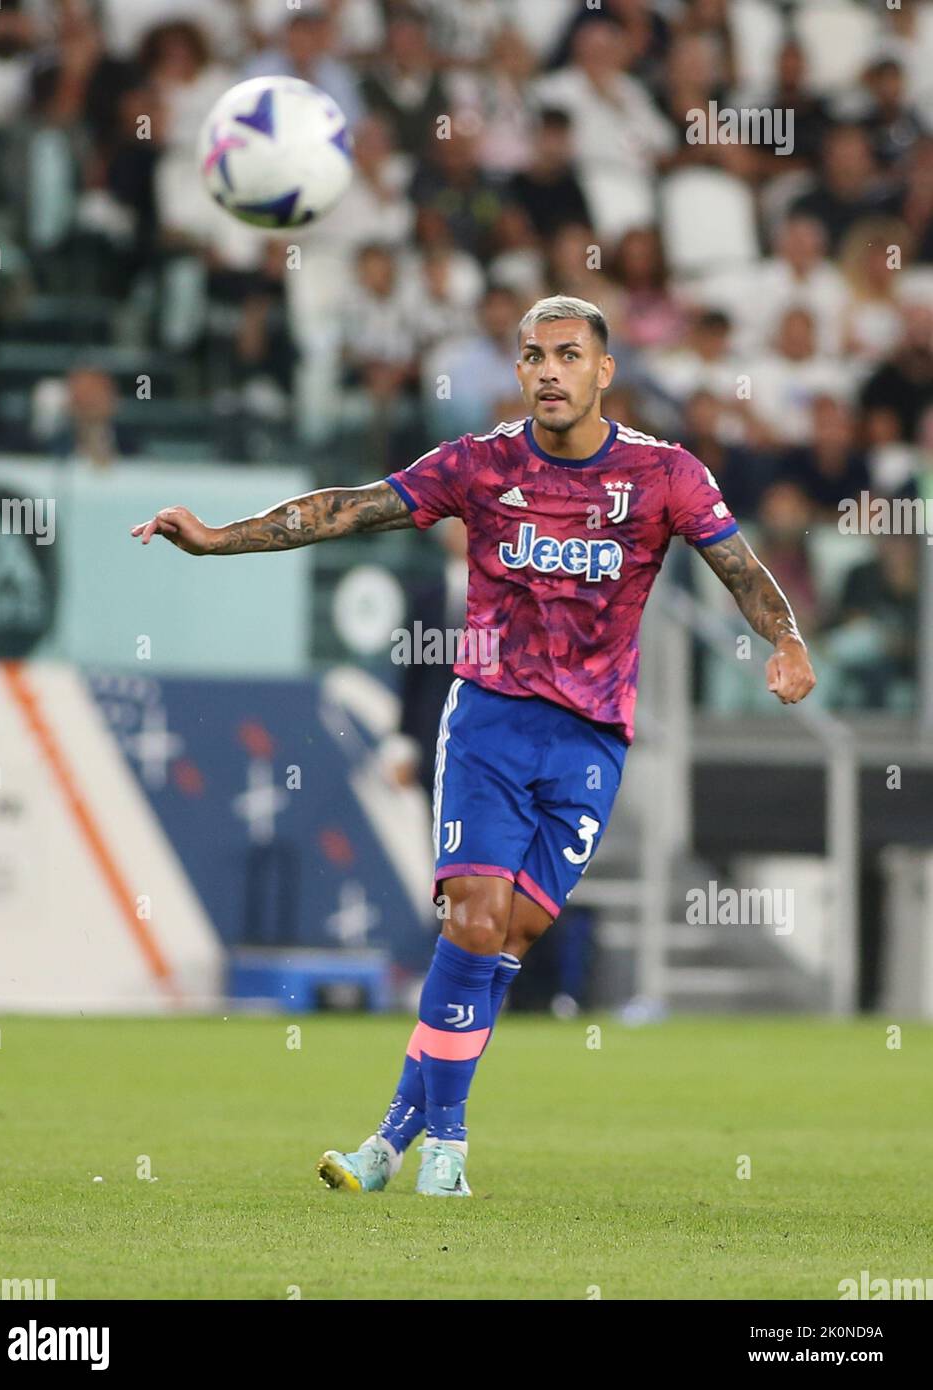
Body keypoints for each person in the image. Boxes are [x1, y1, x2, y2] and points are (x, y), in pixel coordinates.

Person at [131, 294, 816, 1197]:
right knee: (473, 920)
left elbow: (740, 568)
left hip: (592, 741)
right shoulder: (481, 464)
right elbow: (346, 510)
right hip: (490, 718)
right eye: (532, 356)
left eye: (568, 355)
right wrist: (221, 540)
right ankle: (446, 1147)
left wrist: (787, 638)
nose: (547, 372)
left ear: (604, 371)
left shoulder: (664, 475)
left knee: (506, 944)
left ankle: (387, 1142)